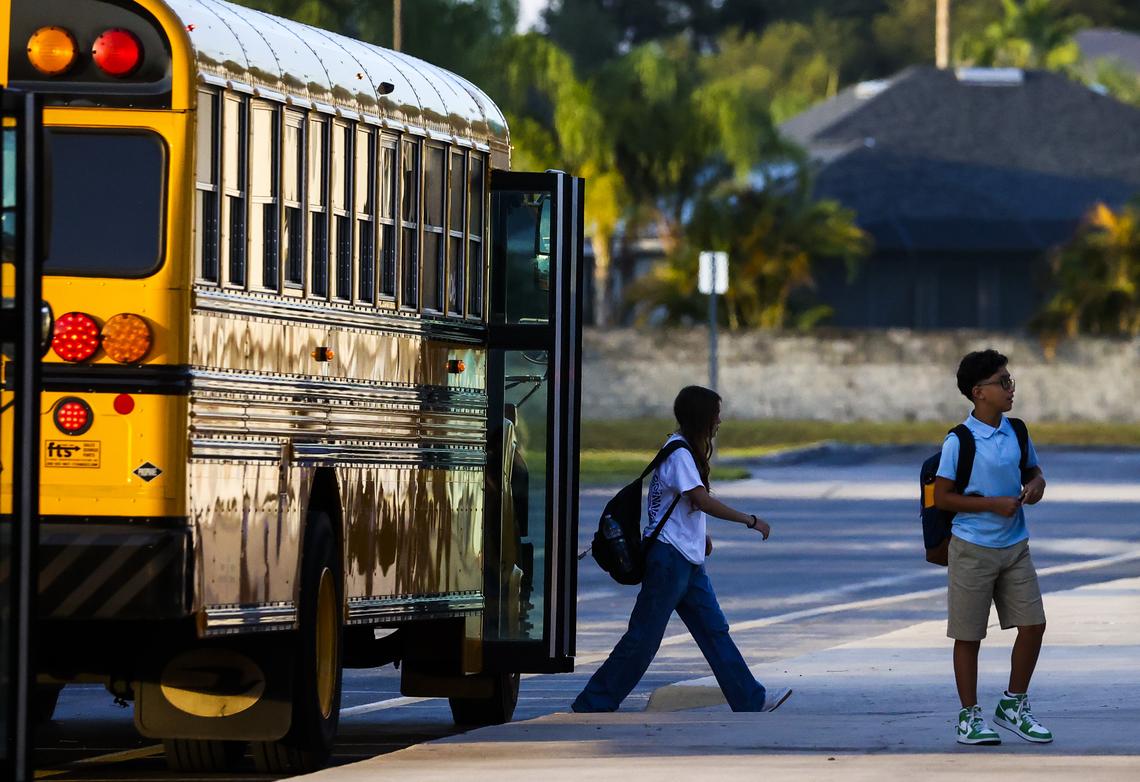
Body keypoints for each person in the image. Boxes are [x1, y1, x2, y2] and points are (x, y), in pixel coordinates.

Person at [571, 385, 792, 713]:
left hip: (685, 559)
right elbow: (700, 499)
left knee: (715, 632)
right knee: (643, 638)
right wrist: (749, 520)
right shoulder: (678, 453)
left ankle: (750, 699)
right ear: (702, 417)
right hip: (669, 559)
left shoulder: (684, 451)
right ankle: (593, 702)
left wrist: (702, 535)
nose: (720, 420)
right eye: (716, 413)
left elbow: (682, 504)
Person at [933, 349, 1052, 746]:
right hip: (972, 547)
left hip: (1015, 544)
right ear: (978, 392)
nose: (1010, 388)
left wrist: (1035, 485)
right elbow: (944, 498)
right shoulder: (960, 441)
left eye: (1010, 380)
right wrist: (991, 504)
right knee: (969, 636)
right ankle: (969, 717)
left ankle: (1013, 704)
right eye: (1003, 382)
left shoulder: (1016, 430)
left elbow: (1033, 471)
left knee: (1034, 625)